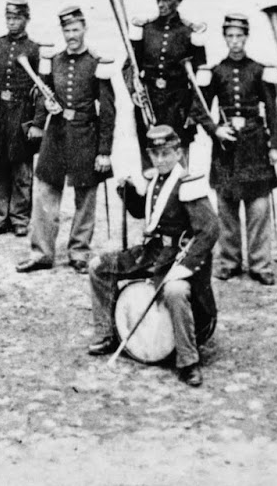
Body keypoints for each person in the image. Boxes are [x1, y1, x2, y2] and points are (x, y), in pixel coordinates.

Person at [86, 125, 219, 388]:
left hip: (178, 257)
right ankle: (107, 333)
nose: (160, 160)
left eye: (166, 153)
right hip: (152, 252)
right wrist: (128, 191)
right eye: (155, 154)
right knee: (98, 267)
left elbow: (209, 231)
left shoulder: (188, 183)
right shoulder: (154, 178)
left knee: (175, 291)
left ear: (178, 153)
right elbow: (144, 214)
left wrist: (186, 267)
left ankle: (187, 360)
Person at [17, 5, 114, 273]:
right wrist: (39, 121)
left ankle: (79, 253)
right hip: (57, 135)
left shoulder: (97, 63)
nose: (71, 34)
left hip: (85, 135)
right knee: (46, 193)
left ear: (84, 29)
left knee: (85, 197)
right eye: (67, 30)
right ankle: (41, 253)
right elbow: (42, 94)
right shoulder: (55, 60)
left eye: (75, 29)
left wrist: (104, 151)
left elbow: (107, 111)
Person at [194, 13, 277, 284]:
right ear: (224, 38)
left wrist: (275, 144)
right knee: (227, 206)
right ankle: (230, 261)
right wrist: (215, 129)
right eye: (230, 36)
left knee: (258, 207)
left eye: (239, 36)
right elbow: (198, 107)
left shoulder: (258, 70)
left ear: (246, 37)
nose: (235, 42)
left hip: (255, 144)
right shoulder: (216, 71)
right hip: (227, 147)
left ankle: (260, 264)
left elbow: (271, 109)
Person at [0, 0, 42, 238]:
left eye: (17, 18)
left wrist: (36, 121)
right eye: (9, 18)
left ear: (26, 19)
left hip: (22, 112)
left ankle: (20, 218)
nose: (12, 22)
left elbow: (39, 88)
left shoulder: (34, 49)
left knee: (22, 171)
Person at [126, 0, 206, 166]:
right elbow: (129, 65)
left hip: (178, 104)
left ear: (177, 1)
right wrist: (133, 91)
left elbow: (200, 77)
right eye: (158, 0)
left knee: (179, 160)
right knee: (150, 160)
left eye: (167, 1)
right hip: (150, 100)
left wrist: (194, 112)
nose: (161, 5)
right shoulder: (146, 29)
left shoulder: (189, 32)